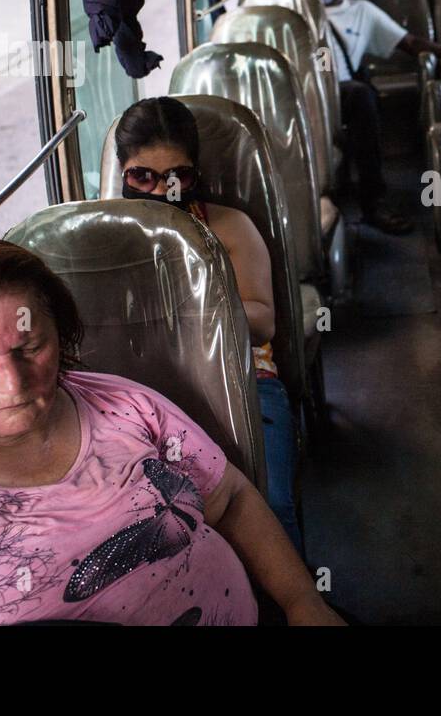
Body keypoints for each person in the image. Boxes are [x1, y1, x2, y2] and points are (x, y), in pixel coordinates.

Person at [0, 238, 342, 626]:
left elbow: (228, 499)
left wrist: (303, 603)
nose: (14, 383)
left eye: (30, 349)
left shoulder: (123, 404)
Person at [113, 97, 304, 556]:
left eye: (175, 177)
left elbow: (262, 322)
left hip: (242, 383)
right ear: (123, 173)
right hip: (135, 401)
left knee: (269, 503)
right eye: (143, 176)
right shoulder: (101, 242)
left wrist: (198, 306)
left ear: (194, 174)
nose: (160, 192)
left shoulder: (229, 227)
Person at [301, 0, 441, 235]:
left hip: (340, 92)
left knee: (361, 95)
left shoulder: (360, 11)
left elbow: (409, 42)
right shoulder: (296, 13)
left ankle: (373, 202)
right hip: (302, 92)